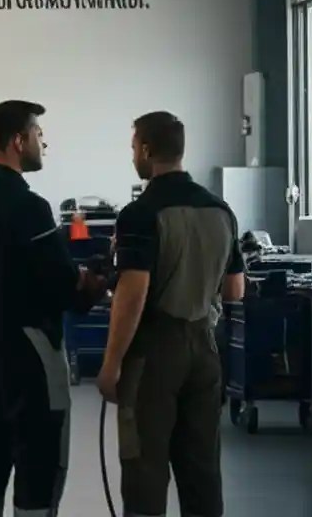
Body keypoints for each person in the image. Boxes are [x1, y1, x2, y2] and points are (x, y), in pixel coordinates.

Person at [0, 100, 105, 517]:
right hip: (29, 344)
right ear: (18, 140)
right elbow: (63, 288)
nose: (43, 142)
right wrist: (93, 284)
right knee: (40, 453)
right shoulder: (29, 206)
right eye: (38, 133)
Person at [97, 112, 246, 517]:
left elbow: (133, 293)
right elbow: (235, 290)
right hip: (205, 349)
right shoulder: (222, 211)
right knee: (201, 471)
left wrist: (110, 364)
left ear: (146, 149)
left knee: (144, 469)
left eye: (133, 148)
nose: (133, 156)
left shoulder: (140, 213)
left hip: (153, 354)